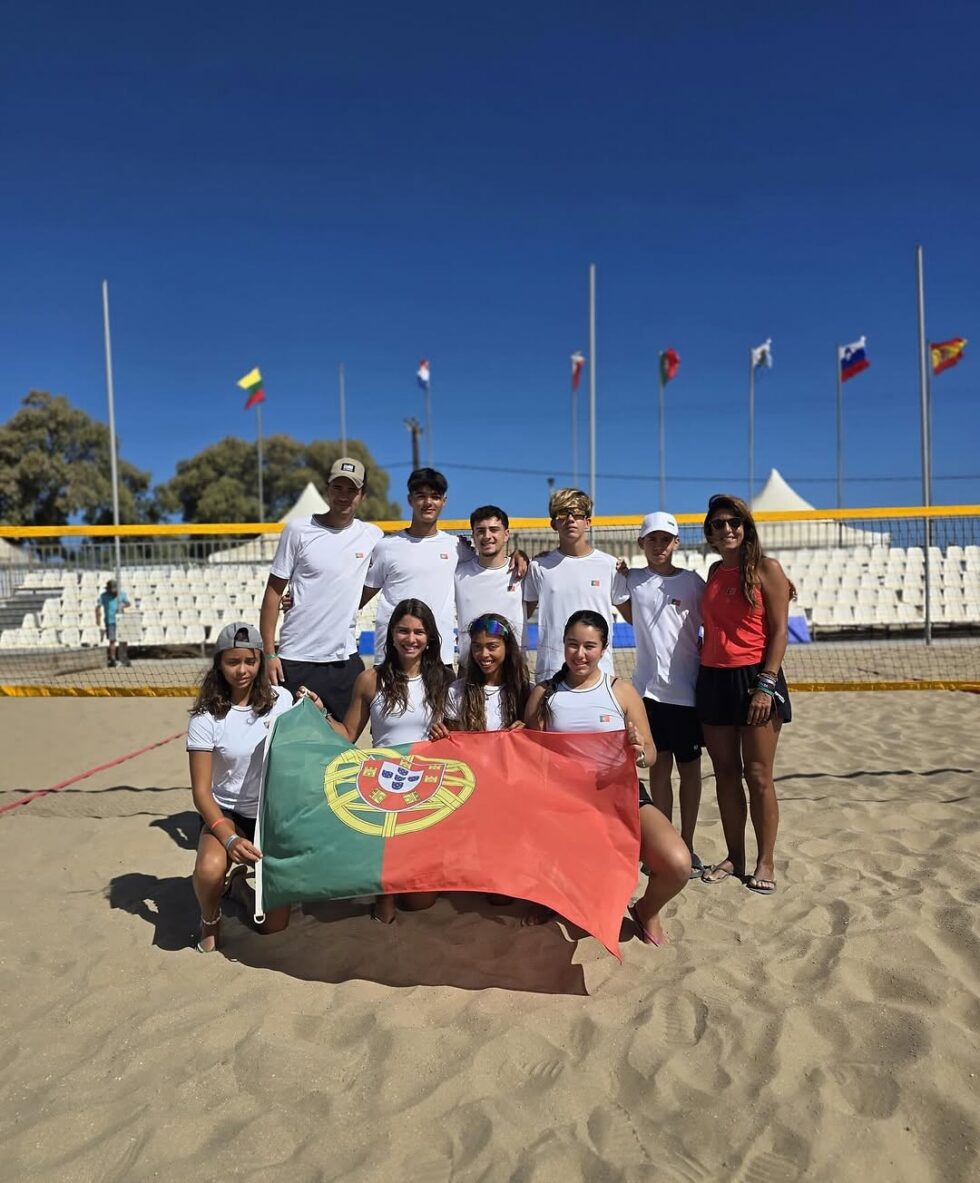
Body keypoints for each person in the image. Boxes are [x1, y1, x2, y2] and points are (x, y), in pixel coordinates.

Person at [524, 610, 690, 946]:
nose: (580, 654)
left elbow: (652, 755)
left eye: (589, 646)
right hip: (565, 801)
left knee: (677, 863)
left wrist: (640, 751)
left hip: (621, 794)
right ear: (563, 645)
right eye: (572, 645)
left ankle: (646, 910)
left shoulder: (621, 691)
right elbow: (530, 757)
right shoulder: (545, 693)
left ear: (603, 648)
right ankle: (550, 897)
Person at [696, 494, 793, 896]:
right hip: (714, 678)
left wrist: (766, 684)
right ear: (710, 534)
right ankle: (734, 854)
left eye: (734, 521)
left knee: (758, 776)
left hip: (756, 678)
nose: (727, 528)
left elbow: (780, 631)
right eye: (718, 524)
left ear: (746, 527)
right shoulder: (715, 571)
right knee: (725, 775)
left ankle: (764, 860)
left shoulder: (767, 569)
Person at [337, 599, 454, 923]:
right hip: (384, 789)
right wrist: (315, 711)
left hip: (428, 787)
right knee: (392, 896)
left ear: (430, 637)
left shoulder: (445, 679)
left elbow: (461, 735)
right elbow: (346, 733)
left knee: (419, 903)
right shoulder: (370, 680)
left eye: (418, 631)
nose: (411, 638)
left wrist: (447, 734)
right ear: (391, 635)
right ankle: (383, 892)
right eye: (403, 630)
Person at [187, 622, 296, 953]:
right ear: (219, 663)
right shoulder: (206, 718)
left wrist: (316, 711)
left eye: (250, 661)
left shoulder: (283, 701)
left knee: (273, 927)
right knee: (209, 869)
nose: (242, 670)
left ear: (261, 660)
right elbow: (201, 793)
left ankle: (240, 890)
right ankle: (210, 918)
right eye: (233, 662)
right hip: (228, 812)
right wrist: (229, 837)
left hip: (269, 812)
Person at [613, 511, 706, 878]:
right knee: (659, 770)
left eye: (665, 539)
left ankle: (688, 843)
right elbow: (625, 608)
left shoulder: (693, 583)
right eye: (652, 539)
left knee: (691, 773)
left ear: (676, 543)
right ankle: (662, 846)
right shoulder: (632, 580)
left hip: (688, 691)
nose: (658, 545)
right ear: (641, 544)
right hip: (648, 693)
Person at [260, 457, 382, 719]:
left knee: (340, 746)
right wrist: (270, 654)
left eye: (352, 490)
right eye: (338, 488)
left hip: (343, 660)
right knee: (291, 746)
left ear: (363, 495)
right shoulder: (298, 530)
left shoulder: (373, 536)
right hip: (296, 658)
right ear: (327, 489)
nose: (344, 496)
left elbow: (391, 569)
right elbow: (272, 593)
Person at [360, 468, 474, 666]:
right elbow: (360, 597)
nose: (428, 503)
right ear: (410, 500)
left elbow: (489, 569)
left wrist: (518, 557)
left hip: (438, 657)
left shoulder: (457, 547)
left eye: (435, 497)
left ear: (443, 502)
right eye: (421, 496)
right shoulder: (386, 546)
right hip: (392, 656)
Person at [523, 488, 618, 680]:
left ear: (588, 522)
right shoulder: (539, 567)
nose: (570, 519)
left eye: (577, 514)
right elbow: (521, 614)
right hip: (552, 673)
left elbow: (636, 615)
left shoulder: (610, 565)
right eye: (562, 514)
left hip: (599, 673)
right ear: (553, 523)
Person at [433, 613, 531, 736]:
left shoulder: (526, 692)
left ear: (508, 648)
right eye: (477, 647)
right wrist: (441, 734)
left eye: (492, 646)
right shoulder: (457, 691)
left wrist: (528, 731)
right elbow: (454, 742)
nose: (484, 654)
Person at [454, 506, 526, 666]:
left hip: (512, 669)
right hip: (471, 669)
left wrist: (522, 555)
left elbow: (531, 607)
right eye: (480, 531)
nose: (487, 536)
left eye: (494, 530)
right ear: (473, 536)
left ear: (506, 534)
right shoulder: (458, 574)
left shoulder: (522, 572)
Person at [96, 578, 129, 668]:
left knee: (123, 640)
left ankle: (124, 658)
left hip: (121, 619)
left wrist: (123, 605)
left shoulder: (122, 594)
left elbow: (128, 603)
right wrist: (97, 618)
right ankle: (113, 659)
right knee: (112, 640)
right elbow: (98, 607)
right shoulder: (103, 596)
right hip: (110, 620)